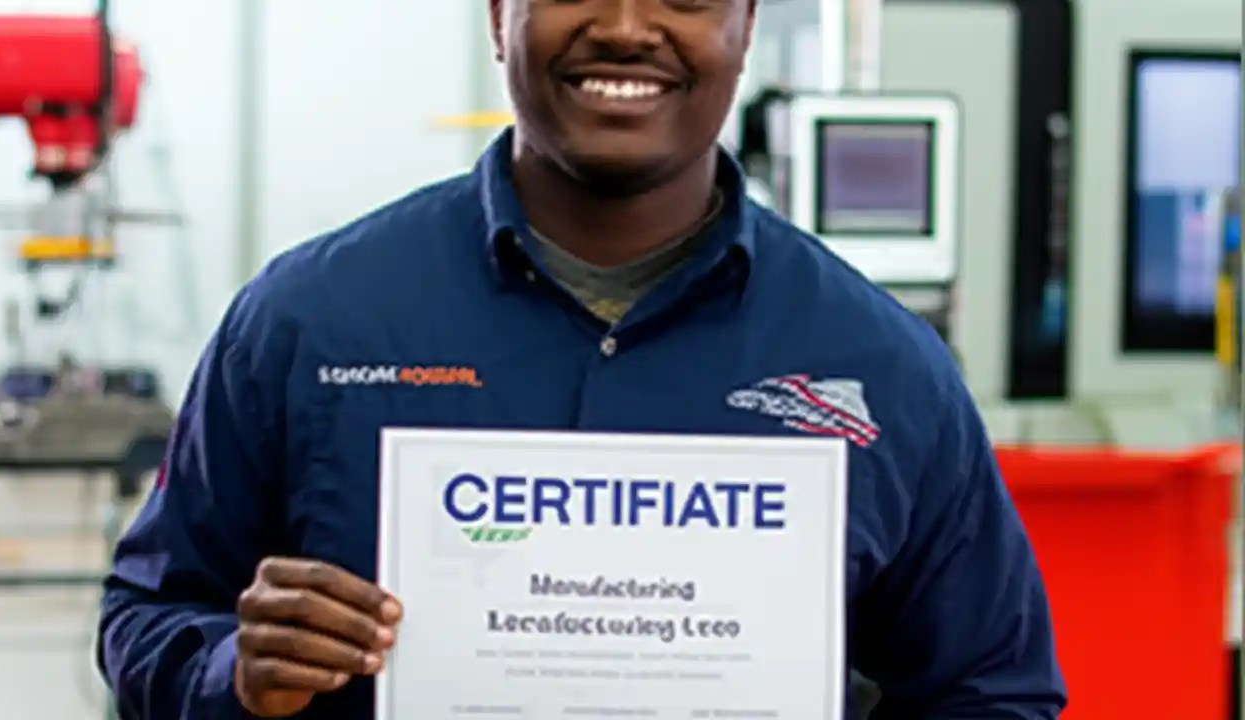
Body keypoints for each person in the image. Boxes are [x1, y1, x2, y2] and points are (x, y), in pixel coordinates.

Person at [95, 0, 1068, 717]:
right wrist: (233, 672)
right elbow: (146, 614)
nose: (625, 26)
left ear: (744, 25)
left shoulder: (879, 365)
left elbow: (991, 691)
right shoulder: (310, 321)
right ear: (496, 16)